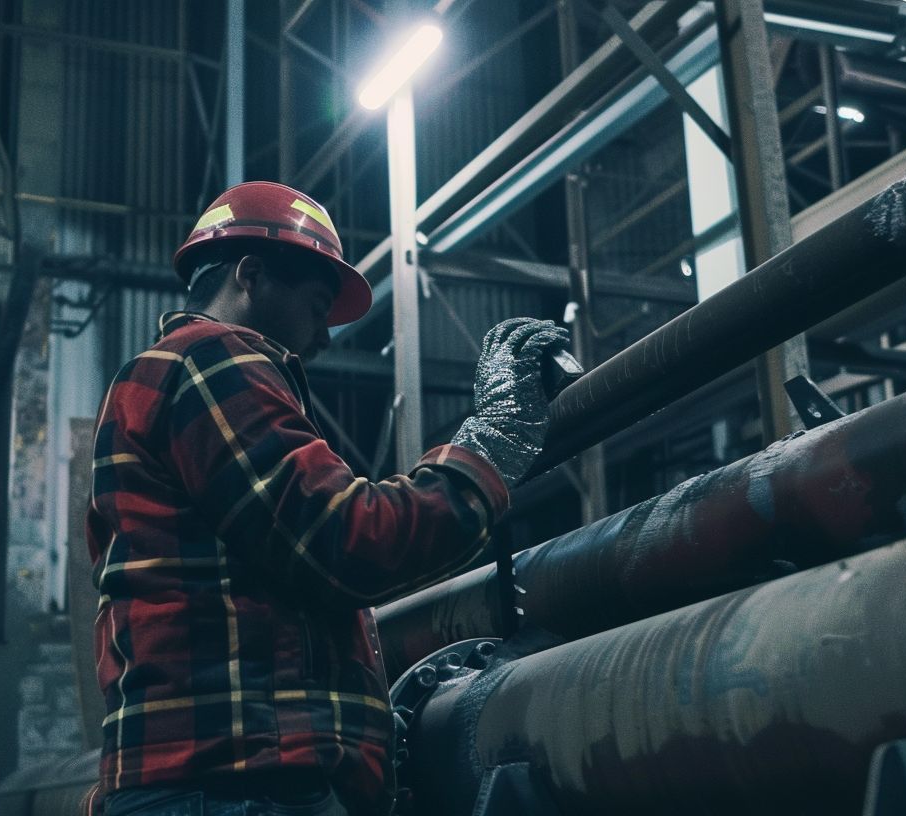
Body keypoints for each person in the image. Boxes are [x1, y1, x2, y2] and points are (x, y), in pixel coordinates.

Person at [87, 181, 568, 815]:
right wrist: (492, 443)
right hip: (237, 787)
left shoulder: (167, 379)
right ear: (250, 274)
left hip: (214, 781)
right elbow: (346, 540)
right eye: (317, 305)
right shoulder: (207, 360)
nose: (324, 335)